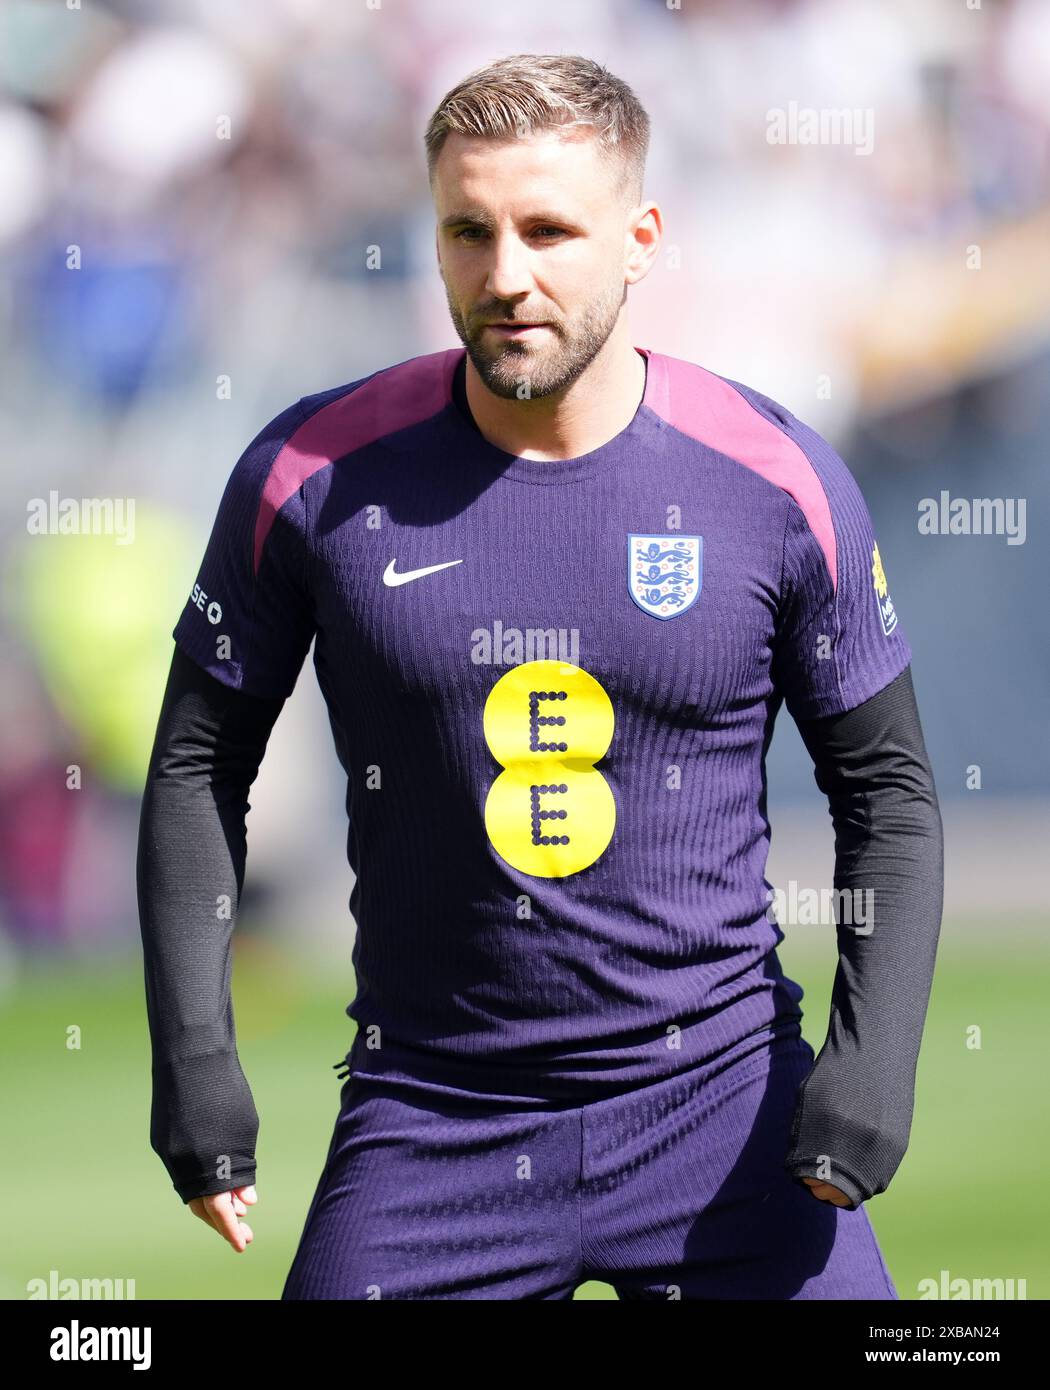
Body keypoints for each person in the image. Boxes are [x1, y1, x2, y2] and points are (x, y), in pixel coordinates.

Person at [137, 53, 943, 1300]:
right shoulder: (310, 471)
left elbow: (888, 792)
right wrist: (194, 1056)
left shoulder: (775, 479)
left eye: (550, 230)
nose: (506, 275)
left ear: (640, 238)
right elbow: (198, 763)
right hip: (434, 1114)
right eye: (470, 230)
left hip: (721, 1107)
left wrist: (874, 1060)